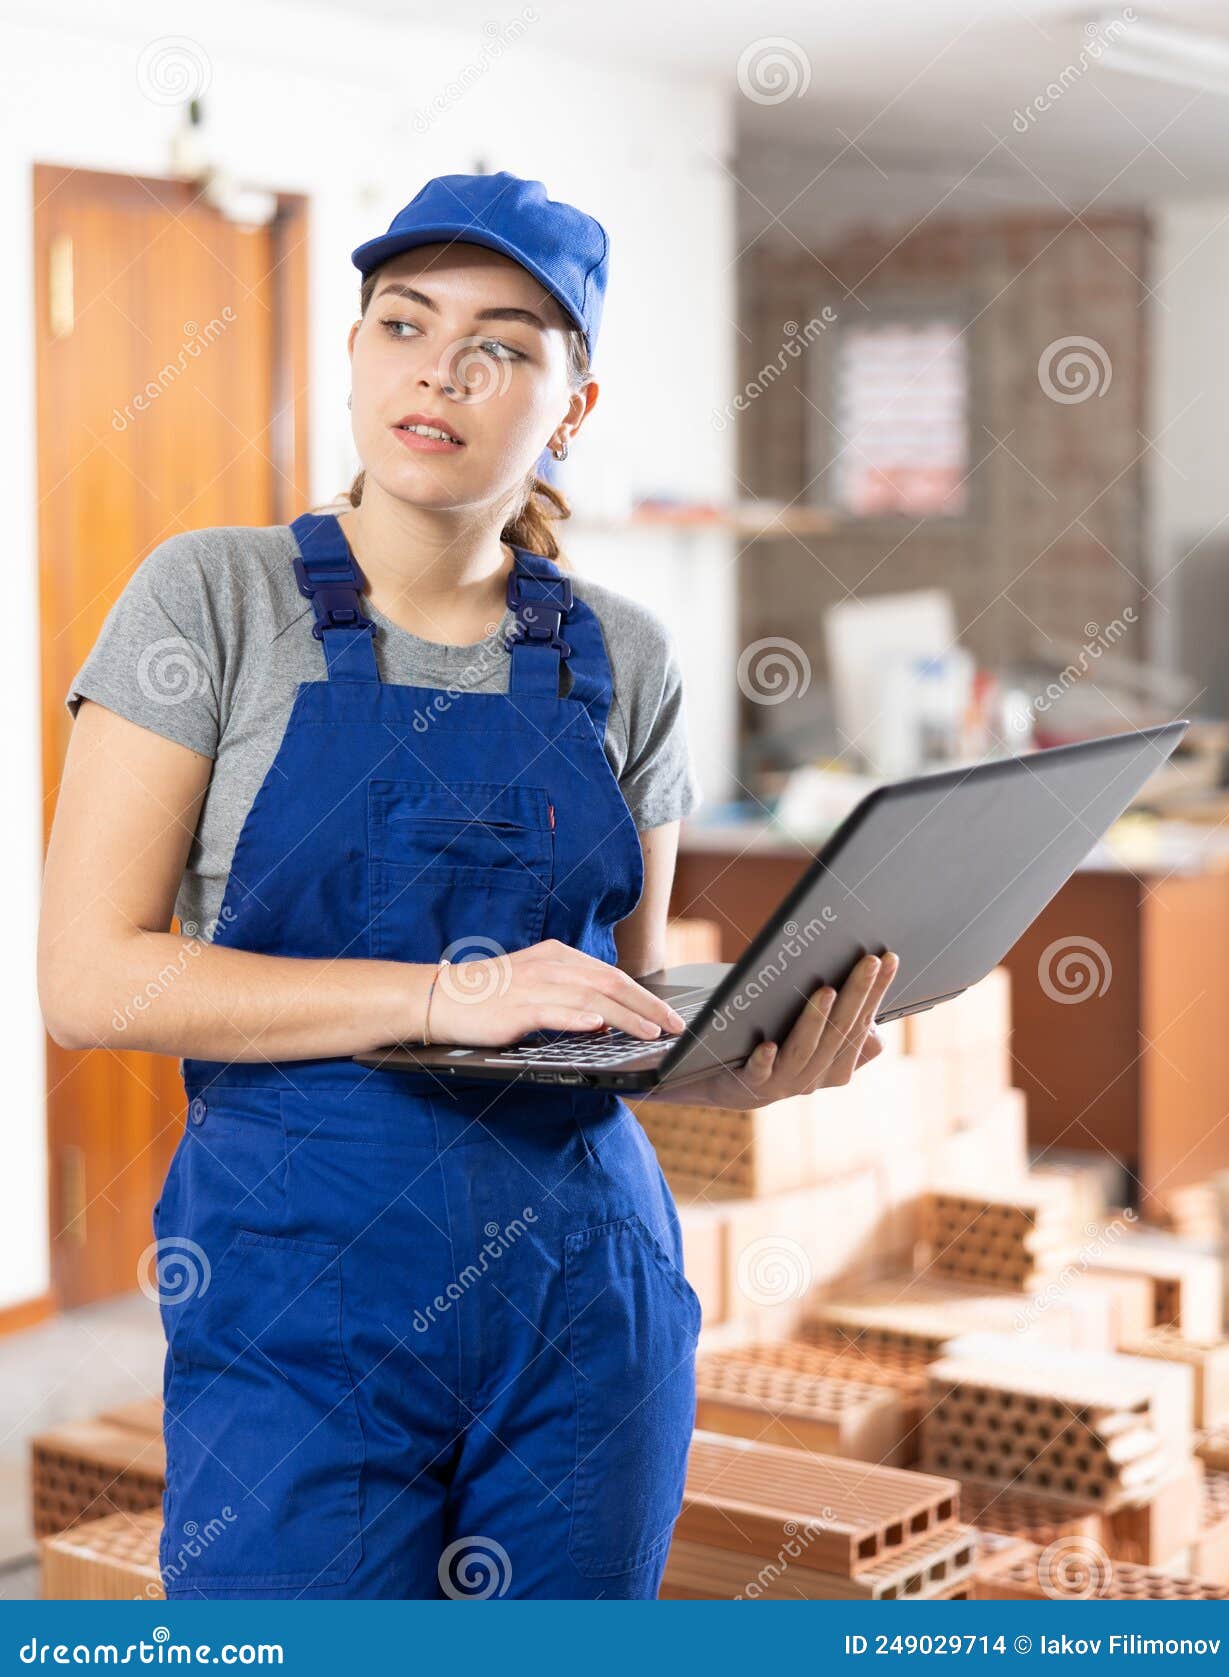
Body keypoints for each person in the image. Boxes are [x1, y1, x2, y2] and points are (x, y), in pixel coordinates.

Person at [37, 171, 899, 1599]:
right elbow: (90, 978)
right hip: (300, 1303)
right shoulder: (214, 599)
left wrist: (722, 1072)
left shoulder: (625, 656)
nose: (439, 366)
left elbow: (600, 1028)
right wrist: (448, 993)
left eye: (502, 341)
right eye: (402, 322)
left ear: (572, 407)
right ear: (360, 351)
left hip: (585, 1302)